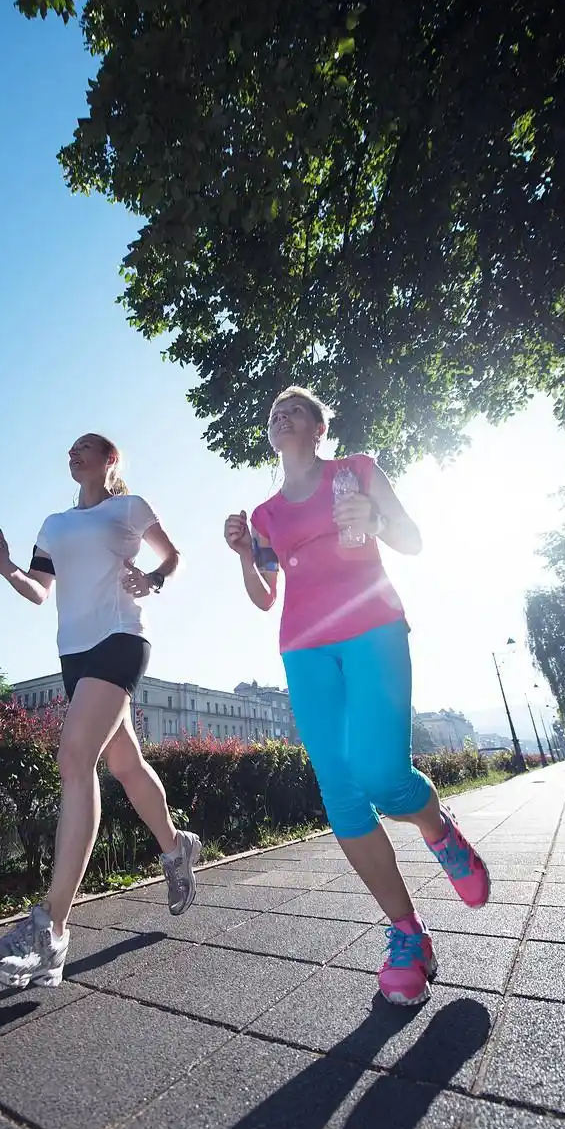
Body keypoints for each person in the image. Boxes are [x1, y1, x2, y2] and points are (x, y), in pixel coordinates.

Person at [224, 386, 489, 1006]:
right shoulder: (265, 515)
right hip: (305, 648)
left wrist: (375, 523)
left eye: (295, 408)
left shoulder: (357, 471)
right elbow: (264, 597)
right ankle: (408, 936)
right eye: (274, 411)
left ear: (319, 428)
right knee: (341, 793)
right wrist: (244, 556)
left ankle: (439, 830)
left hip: (372, 627)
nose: (280, 414)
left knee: (384, 778)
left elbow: (412, 539)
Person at [0, 432, 201, 989]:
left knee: (75, 759)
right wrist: (5, 566)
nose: (72, 454)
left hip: (121, 637)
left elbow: (174, 556)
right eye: (69, 450)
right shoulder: (53, 525)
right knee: (124, 764)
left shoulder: (130, 508)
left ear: (109, 459)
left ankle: (49, 932)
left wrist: (153, 579)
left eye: (84, 448)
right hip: (74, 654)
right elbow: (39, 590)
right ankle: (176, 847)